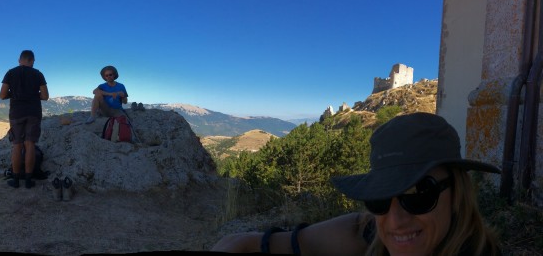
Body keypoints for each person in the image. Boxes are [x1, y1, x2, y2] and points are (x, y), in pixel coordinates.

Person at [211, 112, 500, 255]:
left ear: (458, 195)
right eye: (380, 197)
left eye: (418, 193)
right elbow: (361, 226)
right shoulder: (373, 232)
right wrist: (241, 242)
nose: (396, 220)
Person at [0, 50, 49, 189]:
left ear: (19, 60)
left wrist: (15, 94)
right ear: (32, 60)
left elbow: (2, 95)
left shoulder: (11, 73)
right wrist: (32, 95)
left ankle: (15, 180)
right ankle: (28, 180)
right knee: (30, 144)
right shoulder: (38, 74)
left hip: (16, 113)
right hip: (33, 112)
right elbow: (45, 96)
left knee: (17, 145)